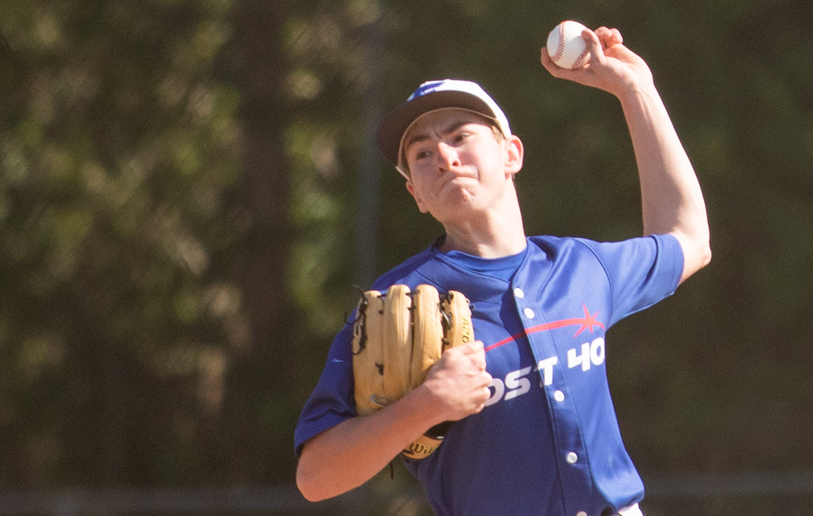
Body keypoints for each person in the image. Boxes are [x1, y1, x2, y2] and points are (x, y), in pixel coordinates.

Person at [294, 25, 711, 516]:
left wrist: (636, 90)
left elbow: (688, 239)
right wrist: (425, 405)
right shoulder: (397, 302)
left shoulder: (579, 268)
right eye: (422, 155)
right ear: (417, 195)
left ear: (511, 153)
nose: (444, 157)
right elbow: (316, 477)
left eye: (459, 136)